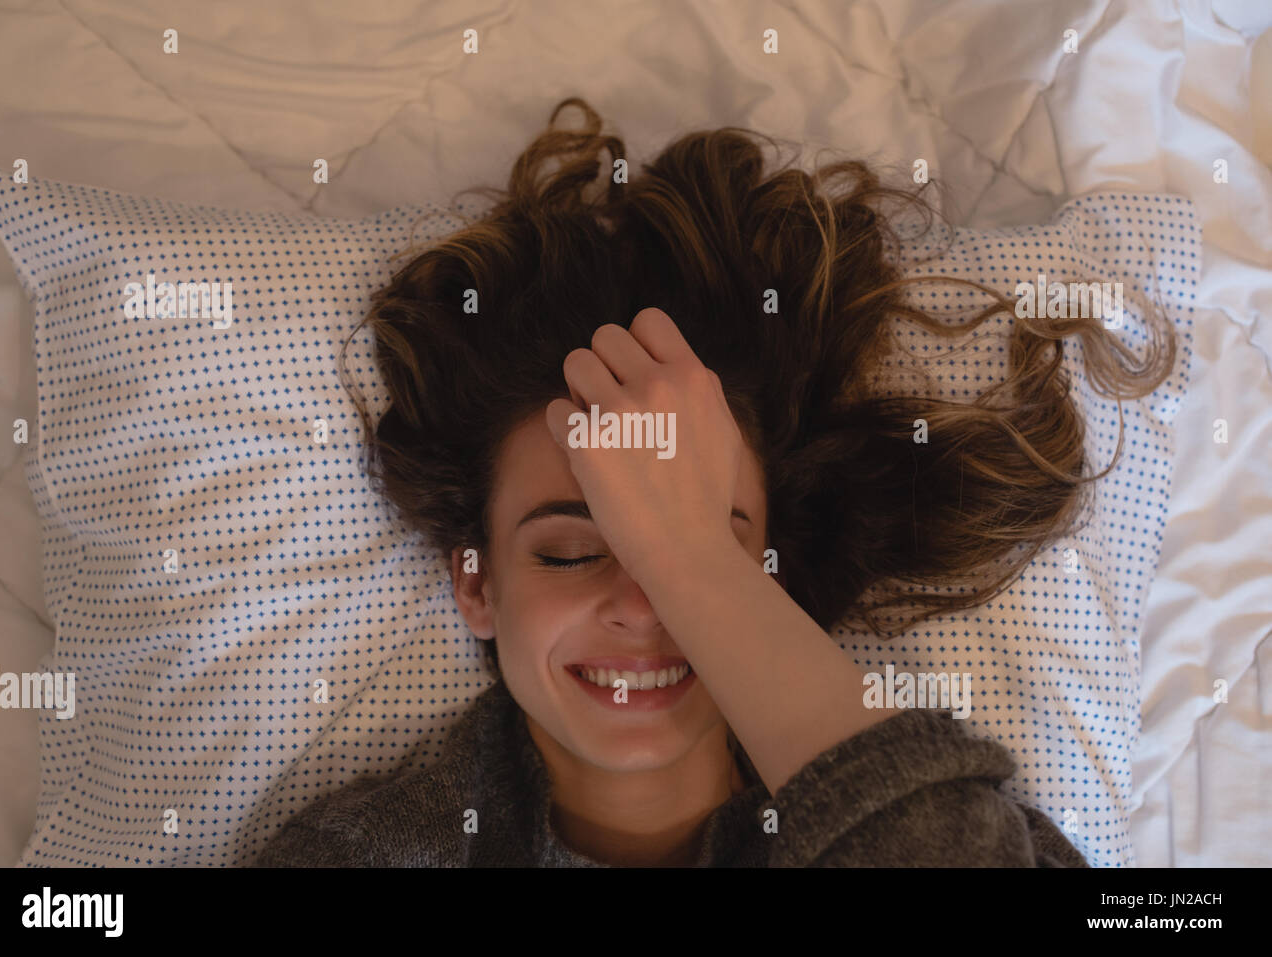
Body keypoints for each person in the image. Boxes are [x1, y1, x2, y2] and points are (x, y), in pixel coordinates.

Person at [254, 97, 1175, 867]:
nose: (643, 599)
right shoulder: (359, 853)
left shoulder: (971, 835)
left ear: (767, 571)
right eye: (572, 551)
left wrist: (690, 562)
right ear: (476, 581)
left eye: (701, 536)